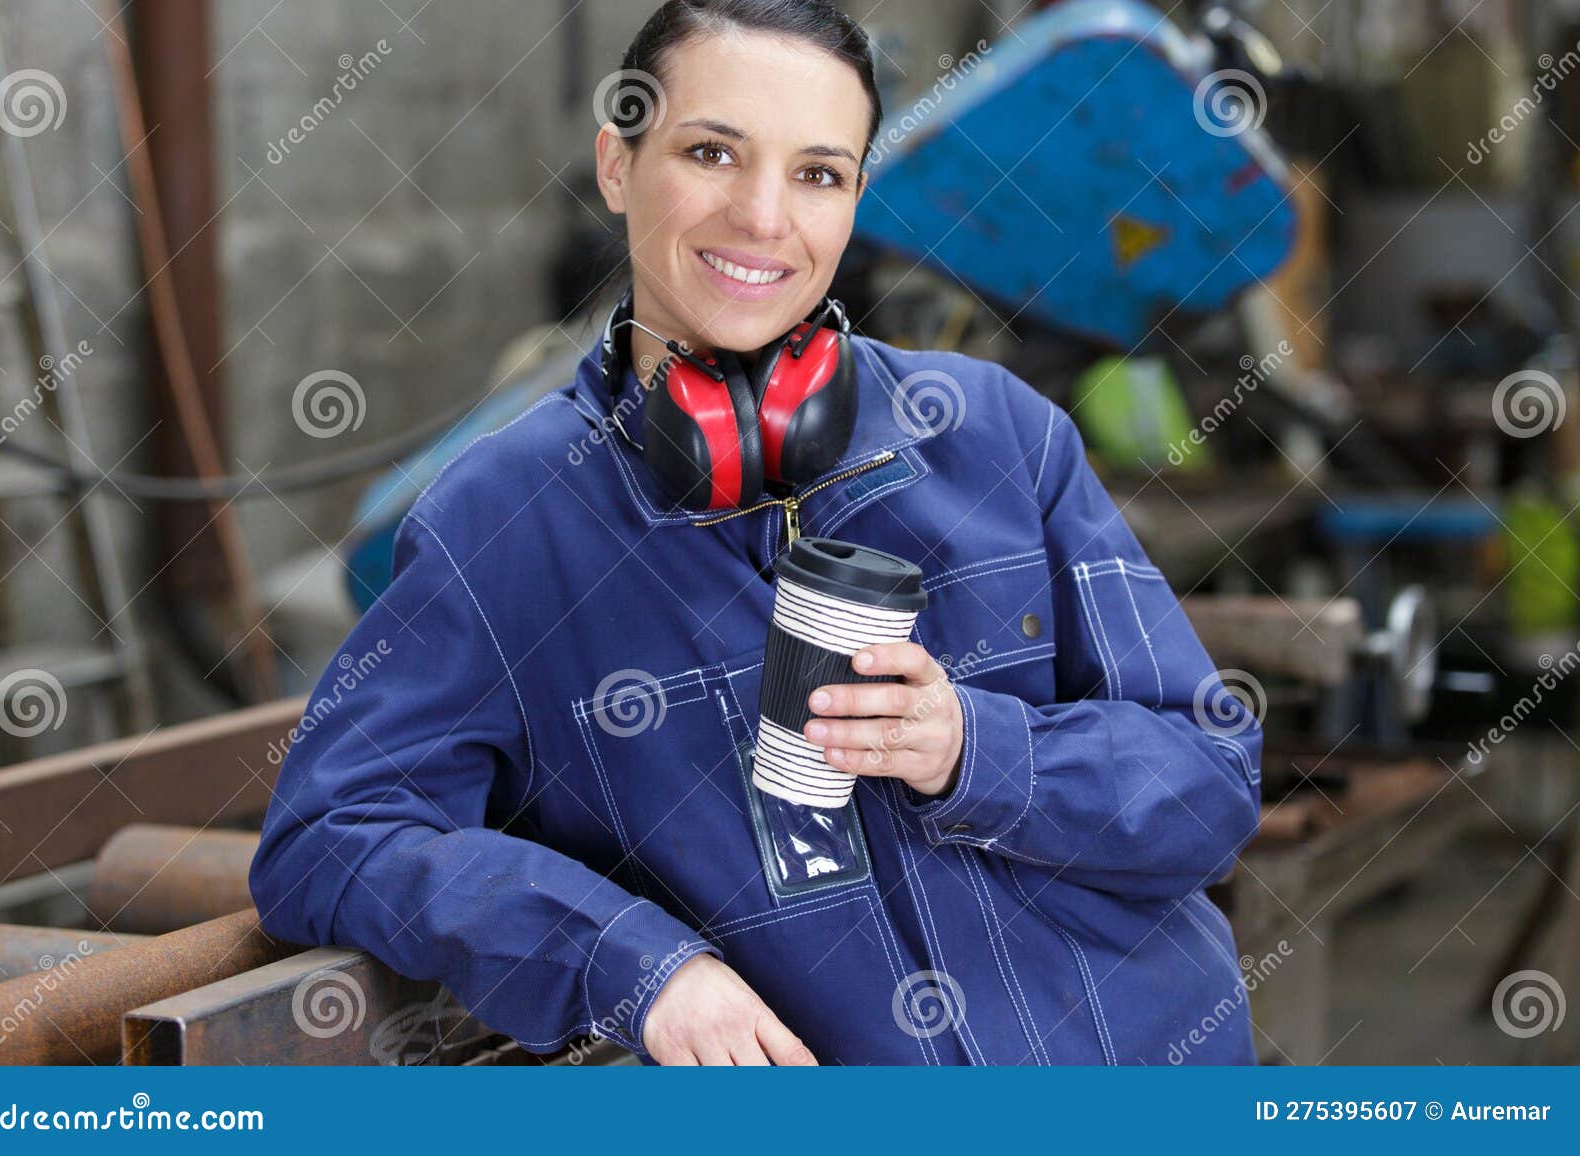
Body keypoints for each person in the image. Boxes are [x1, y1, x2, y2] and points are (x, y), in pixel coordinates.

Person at [250, 0, 1263, 1066]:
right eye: (710, 153)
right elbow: (329, 837)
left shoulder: (998, 434)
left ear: (855, 201)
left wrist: (977, 747)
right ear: (615, 165)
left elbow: (1210, 778)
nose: (762, 217)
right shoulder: (503, 520)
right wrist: (631, 965)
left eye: (817, 173)